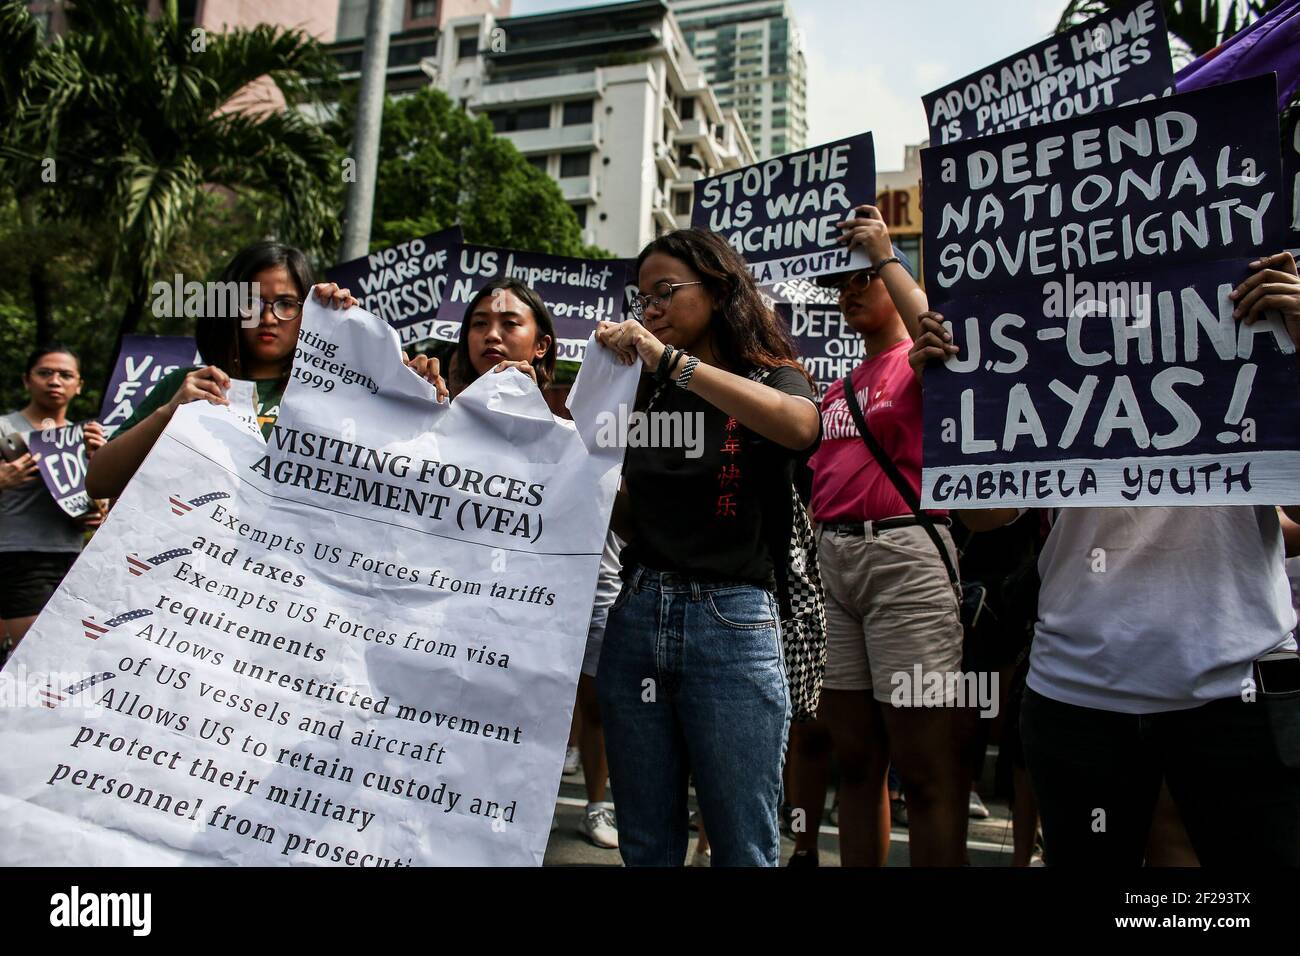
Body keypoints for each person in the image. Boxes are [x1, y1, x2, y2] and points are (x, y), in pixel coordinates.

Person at [908, 250, 1300, 866]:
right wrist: (955, 388)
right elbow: (986, 515)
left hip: (1233, 681)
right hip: (1079, 689)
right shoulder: (1041, 321)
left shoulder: (1250, 294)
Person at [592, 227, 821, 867]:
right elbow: (637, 517)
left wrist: (671, 363)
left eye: (665, 292)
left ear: (718, 290)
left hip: (732, 622)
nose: (652, 310)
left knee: (743, 844)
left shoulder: (768, 376)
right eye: (643, 300)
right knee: (646, 843)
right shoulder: (643, 392)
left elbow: (802, 427)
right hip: (637, 615)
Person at [805, 205, 973, 867]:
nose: (848, 293)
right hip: (834, 562)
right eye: (840, 286)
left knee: (925, 768)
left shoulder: (927, 358)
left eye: (862, 279)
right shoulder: (836, 388)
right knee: (855, 760)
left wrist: (885, 253)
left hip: (906, 557)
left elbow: (941, 329)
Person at [87, 241, 356, 499]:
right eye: (251, 302)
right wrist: (169, 412)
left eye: (286, 304)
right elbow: (99, 483)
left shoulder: (332, 391)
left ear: (307, 312)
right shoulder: (187, 386)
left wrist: (353, 332)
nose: (268, 318)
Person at [0, 346, 105, 656]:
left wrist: (99, 460)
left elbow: (102, 506)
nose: (55, 381)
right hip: (18, 555)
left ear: (79, 385)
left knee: (66, 656)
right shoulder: (4, 429)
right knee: (34, 658)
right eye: (45, 373)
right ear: (26, 380)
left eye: (65, 375)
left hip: (74, 557)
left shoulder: (87, 436)